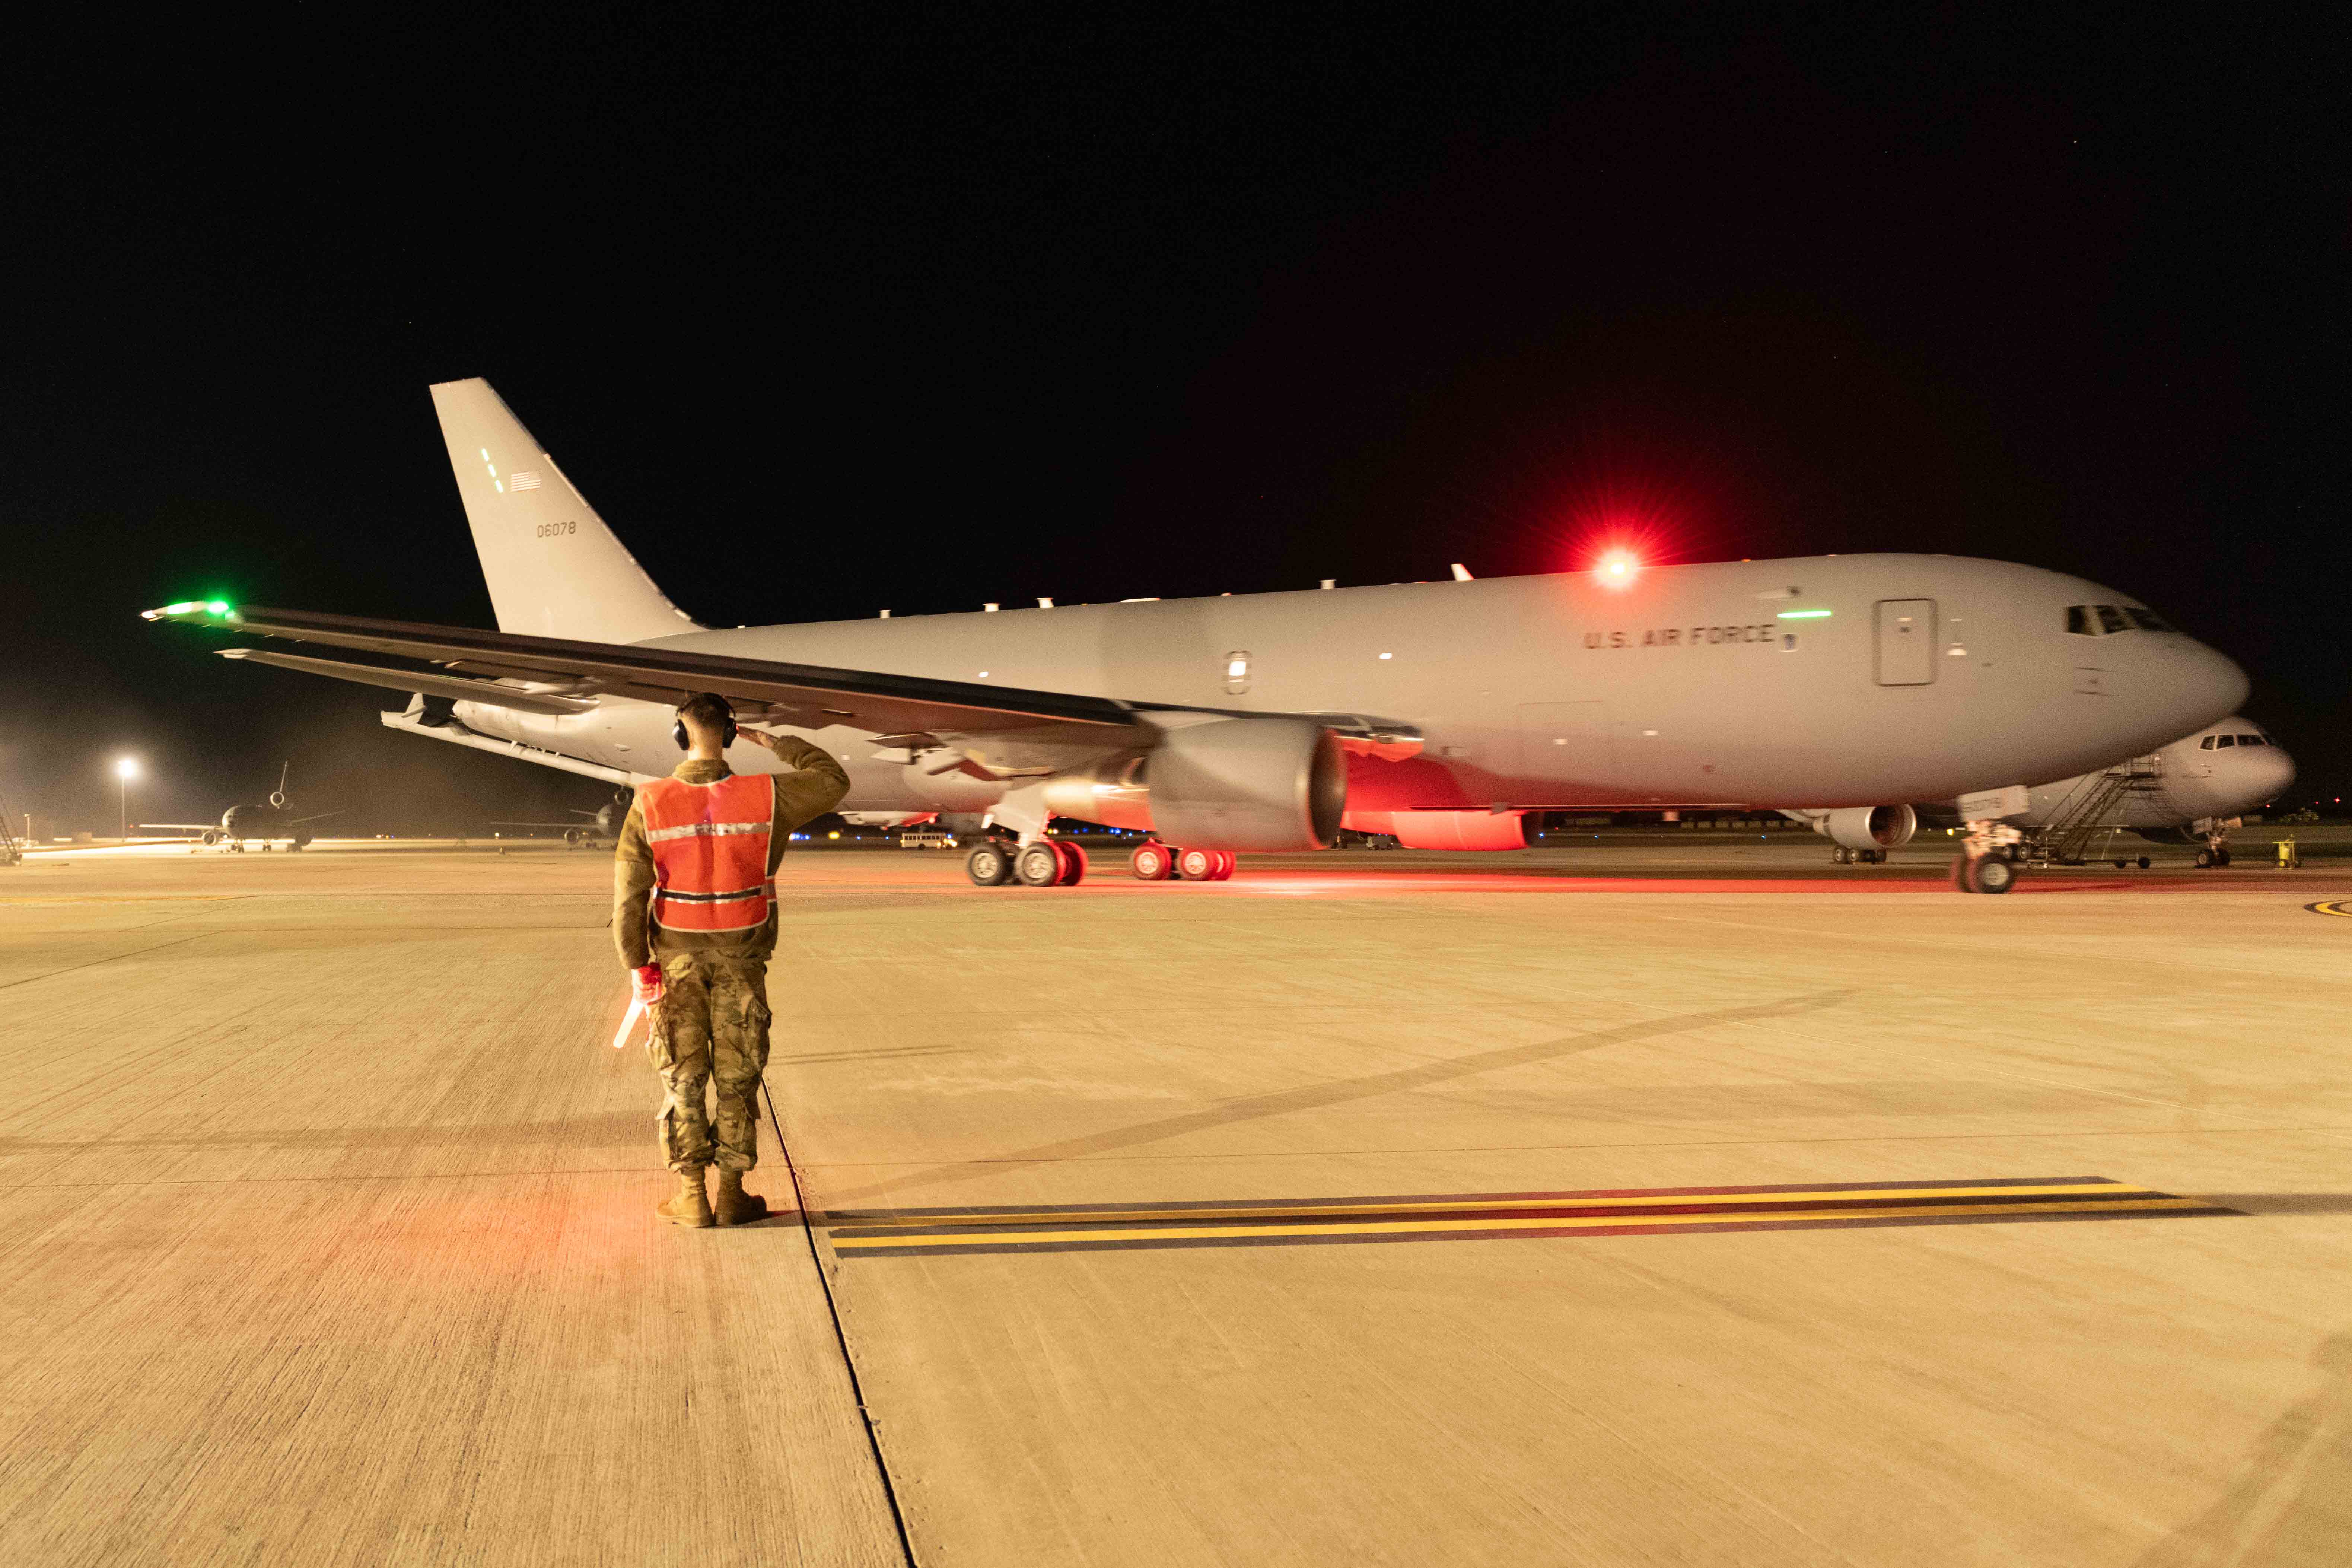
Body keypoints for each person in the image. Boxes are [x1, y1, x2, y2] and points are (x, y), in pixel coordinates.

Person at [614, 693, 850, 1227]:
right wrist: (773, 742)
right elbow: (832, 778)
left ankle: (691, 1195)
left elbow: (629, 896)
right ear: (731, 730)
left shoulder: (650, 802)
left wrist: (638, 964)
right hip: (743, 960)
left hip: (675, 961)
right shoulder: (767, 796)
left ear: (679, 733)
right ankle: (732, 1193)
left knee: (683, 1077)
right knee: (738, 1078)